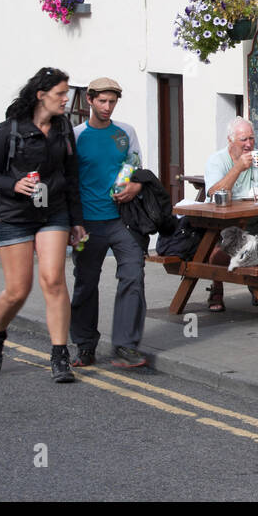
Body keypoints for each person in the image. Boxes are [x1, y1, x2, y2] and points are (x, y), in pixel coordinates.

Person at [0, 67, 83, 383]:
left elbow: (72, 177)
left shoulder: (64, 129)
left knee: (53, 280)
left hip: (54, 213)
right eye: (60, 94)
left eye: (67, 93)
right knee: (17, 291)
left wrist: (77, 221)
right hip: (15, 216)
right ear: (41, 95)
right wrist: (14, 184)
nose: (66, 100)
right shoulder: (8, 129)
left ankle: (60, 355)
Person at [69, 77, 150, 369]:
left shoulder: (125, 132)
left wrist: (134, 187)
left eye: (112, 102)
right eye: (101, 101)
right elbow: (67, 181)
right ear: (89, 100)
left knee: (133, 275)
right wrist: (71, 225)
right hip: (87, 223)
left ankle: (126, 346)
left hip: (122, 221)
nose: (107, 107)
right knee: (86, 283)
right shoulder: (76, 135)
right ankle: (85, 345)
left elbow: (136, 167)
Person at [203, 116, 258, 311]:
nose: (249, 144)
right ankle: (216, 289)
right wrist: (237, 168)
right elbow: (213, 193)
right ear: (230, 140)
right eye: (243, 139)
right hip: (223, 222)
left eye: (251, 139)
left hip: (254, 218)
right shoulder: (217, 160)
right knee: (222, 249)